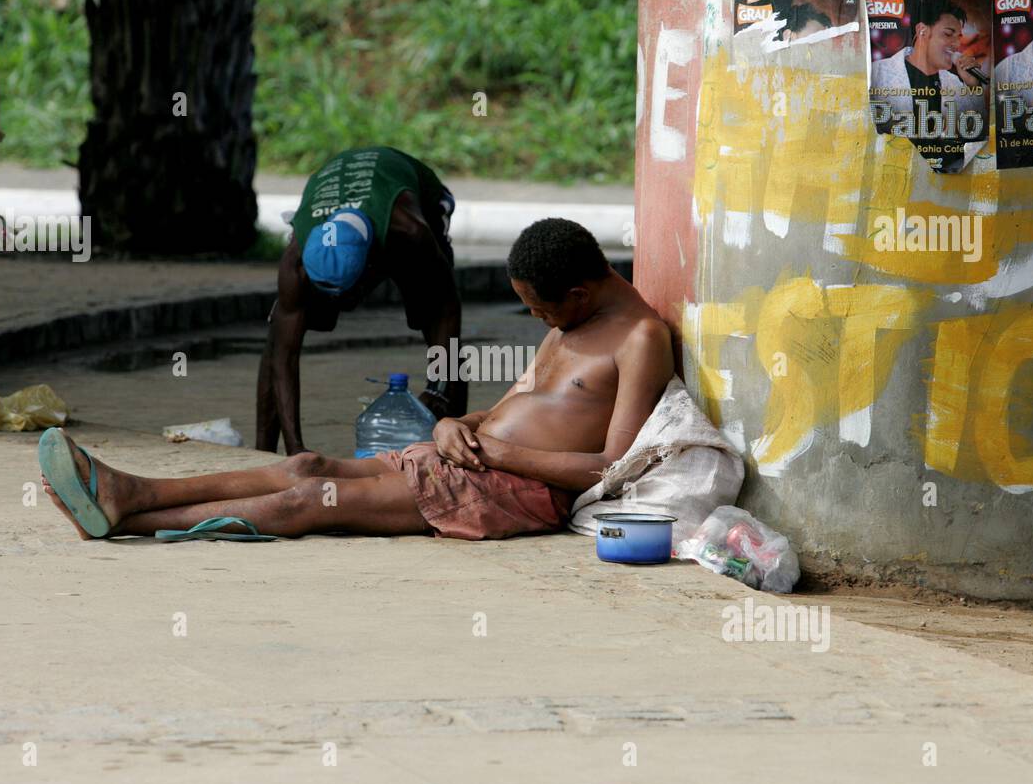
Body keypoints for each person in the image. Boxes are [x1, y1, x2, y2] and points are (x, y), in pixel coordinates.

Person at [42, 219, 674, 542]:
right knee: (307, 464)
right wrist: (460, 422)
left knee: (308, 502)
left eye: (541, 310)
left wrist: (498, 451)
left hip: (512, 489)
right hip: (469, 456)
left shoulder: (640, 338)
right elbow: (515, 403)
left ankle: (129, 522)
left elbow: (612, 466)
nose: (537, 320)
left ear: (578, 291)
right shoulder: (569, 321)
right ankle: (135, 490)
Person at [256, 146, 465, 455]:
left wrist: (438, 387)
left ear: (369, 269)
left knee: (434, 318)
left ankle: (458, 443)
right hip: (339, 192)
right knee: (278, 334)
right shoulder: (297, 260)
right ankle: (262, 453)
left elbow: (449, 309)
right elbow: (283, 357)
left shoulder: (411, 231)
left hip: (408, 188)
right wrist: (296, 449)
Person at [869, 0, 989, 134]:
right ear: (922, 31)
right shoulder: (878, 73)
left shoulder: (954, 83)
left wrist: (973, 87)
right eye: (948, 34)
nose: (957, 44)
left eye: (959, 37)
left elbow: (975, 131)